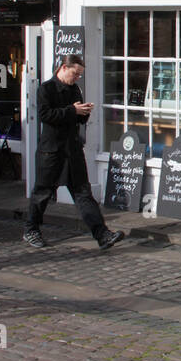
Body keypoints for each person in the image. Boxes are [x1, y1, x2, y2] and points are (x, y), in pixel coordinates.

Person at [24, 53, 124, 251]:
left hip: (73, 150)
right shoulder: (47, 88)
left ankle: (102, 234)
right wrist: (73, 111)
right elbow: (45, 115)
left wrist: (84, 113)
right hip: (51, 151)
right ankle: (31, 229)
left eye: (80, 74)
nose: (77, 78)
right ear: (63, 68)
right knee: (43, 192)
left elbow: (77, 120)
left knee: (83, 193)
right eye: (75, 73)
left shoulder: (75, 89)